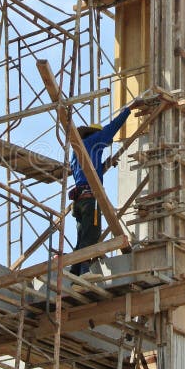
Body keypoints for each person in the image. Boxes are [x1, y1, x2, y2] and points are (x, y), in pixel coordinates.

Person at [69, 101, 138, 275]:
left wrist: (105, 164)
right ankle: (84, 271)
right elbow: (112, 127)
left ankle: (74, 270)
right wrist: (129, 109)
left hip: (79, 200)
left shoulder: (77, 152)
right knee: (91, 236)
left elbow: (88, 171)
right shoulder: (94, 141)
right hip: (90, 199)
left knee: (82, 237)